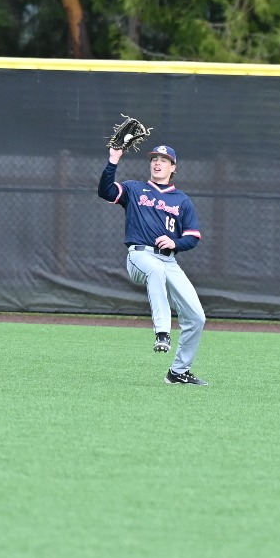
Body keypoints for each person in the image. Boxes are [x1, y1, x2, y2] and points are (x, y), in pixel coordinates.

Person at [97, 142, 207, 384]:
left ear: (173, 167)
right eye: (154, 159)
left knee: (197, 317)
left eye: (164, 160)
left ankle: (178, 372)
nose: (158, 163)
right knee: (155, 269)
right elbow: (105, 191)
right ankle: (163, 332)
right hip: (140, 256)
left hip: (170, 262)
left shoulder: (182, 201)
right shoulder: (134, 189)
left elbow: (193, 237)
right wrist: (114, 159)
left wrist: (175, 242)